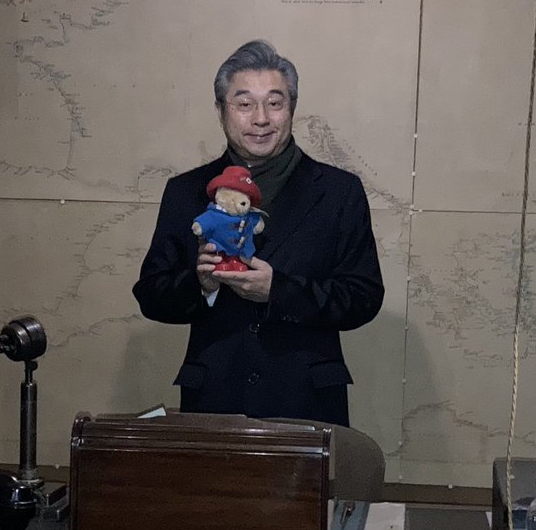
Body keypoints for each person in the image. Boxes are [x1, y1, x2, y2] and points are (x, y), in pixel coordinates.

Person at [132, 39, 384, 425]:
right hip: (215, 402)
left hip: (307, 404)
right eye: (245, 104)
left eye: (275, 103)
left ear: (292, 108)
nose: (261, 118)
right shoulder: (186, 191)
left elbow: (363, 296)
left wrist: (278, 291)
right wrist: (203, 285)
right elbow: (151, 294)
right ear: (221, 111)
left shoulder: (338, 191)